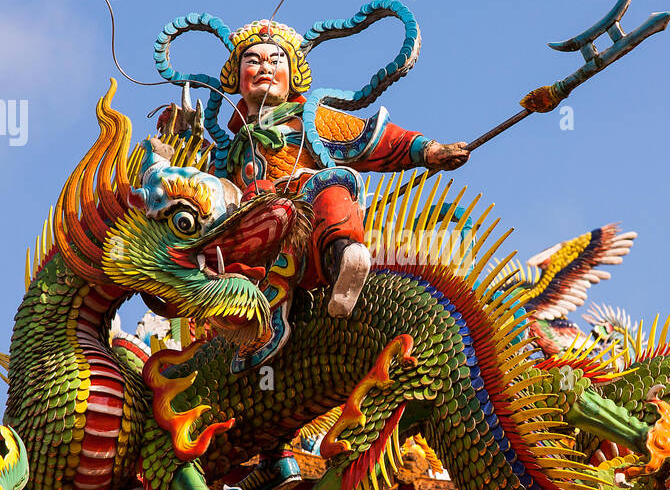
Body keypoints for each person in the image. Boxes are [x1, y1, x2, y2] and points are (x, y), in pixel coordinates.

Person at [162, 20, 469, 320]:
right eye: (253, 61)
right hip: (252, 248)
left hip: (304, 229)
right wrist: (179, 140)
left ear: (292, 74)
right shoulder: (230, 152)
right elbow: (200, 192)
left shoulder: (308, 122)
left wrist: (429, 150)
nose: (265, 68)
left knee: (331, 187)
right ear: (236, 76)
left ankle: (344, 259)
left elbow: (373, 138)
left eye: (275, 60)